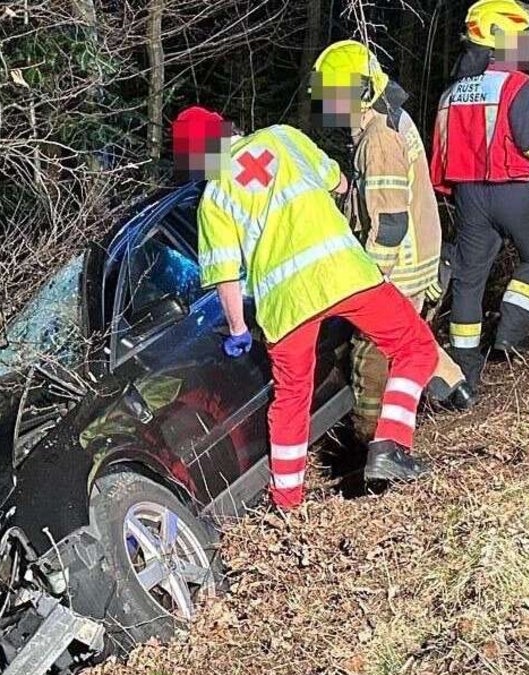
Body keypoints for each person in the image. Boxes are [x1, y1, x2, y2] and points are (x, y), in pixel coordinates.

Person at [174, 105, 440, 509]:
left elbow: (225, 276)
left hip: (286, 305)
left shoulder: (214, 199)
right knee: (415, 348)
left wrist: (238, 330)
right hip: (344, 274)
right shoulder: (282, 136)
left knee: (291, 400)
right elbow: (340, 183)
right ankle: (390, 445)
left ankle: (286, 503)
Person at [311, 40, 475, 442]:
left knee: (371, 358)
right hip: (417, 257)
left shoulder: (378, 140)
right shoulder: (386, 119)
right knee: (411, 335)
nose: (328, 105)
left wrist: (371, 285)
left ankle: (379, 444)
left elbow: (389, 224)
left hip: (399, 266)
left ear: (360, 91)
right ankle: (457, 392)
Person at [431, 0, 529, 393]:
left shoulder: (449, 95)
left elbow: (441, 155)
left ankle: (465, 372)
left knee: (469, 279)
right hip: (515, 192)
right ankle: (511, 334)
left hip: (469, 198)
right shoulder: (517, 85)